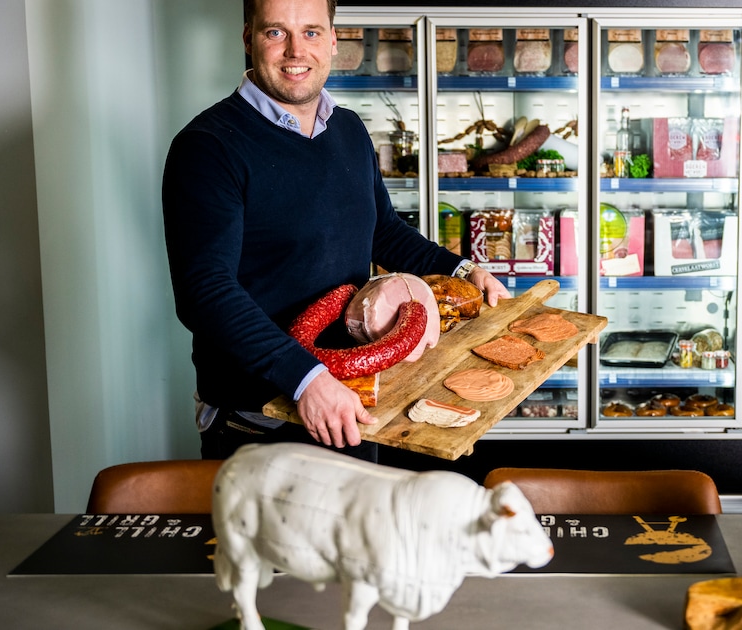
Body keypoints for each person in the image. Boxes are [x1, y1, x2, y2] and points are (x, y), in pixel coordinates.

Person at [162, 0, 508, 463]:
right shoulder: (208, 146)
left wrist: (463, 270)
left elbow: (382, 231)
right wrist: (305, 378)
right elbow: (205, 292)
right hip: (263, 414)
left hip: (354, 390)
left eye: (310, 32)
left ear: (332, 41)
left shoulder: (347, 128)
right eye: (276, 33)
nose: (295, 50)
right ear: (248, 39)